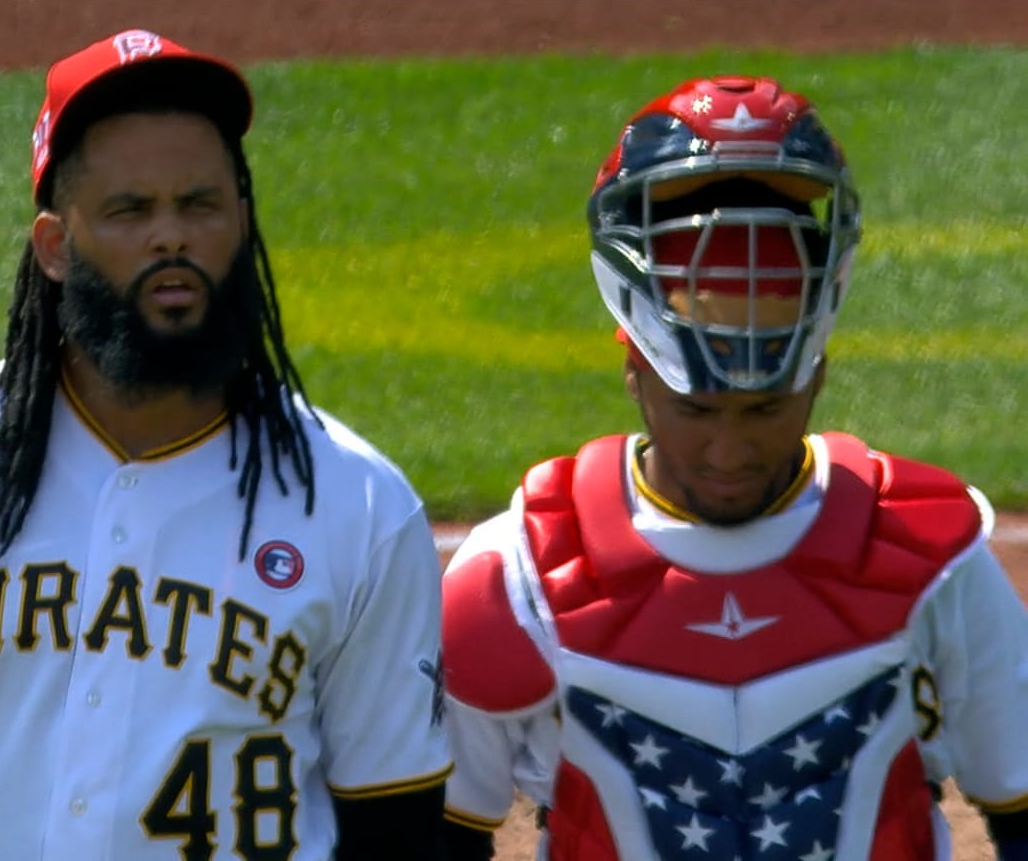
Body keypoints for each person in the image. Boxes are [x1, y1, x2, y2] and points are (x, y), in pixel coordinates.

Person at [0, 28, 453, 861]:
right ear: (57, 247)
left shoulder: (357, 505)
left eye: (199, 205)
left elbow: (396, 836)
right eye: (130, 211)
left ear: (241, 224)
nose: (170, 238)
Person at [438, 75, 1028, 860]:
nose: (728, 454)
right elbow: (429, 839)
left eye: (766, 411)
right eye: (695, 411)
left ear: (817, 373)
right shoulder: (517, 577)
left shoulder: (932, 561)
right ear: (634, 370)